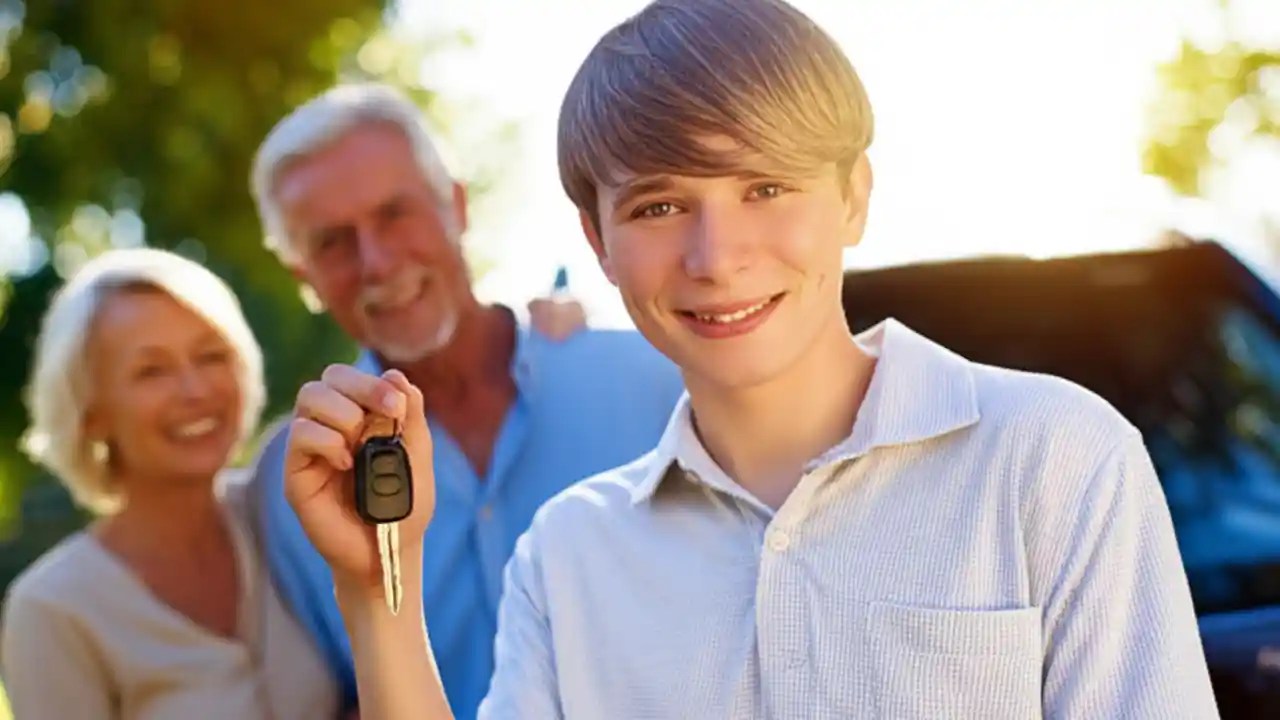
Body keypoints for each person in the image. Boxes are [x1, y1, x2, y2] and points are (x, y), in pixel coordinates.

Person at [279, 0, 1223, 717]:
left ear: (854, 196)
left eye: (765, 185)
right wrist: (376, 596)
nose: (714, 256)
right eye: (657, 206)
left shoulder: (1053, 460)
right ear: (597, 240)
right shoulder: (566, 560)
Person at [246, 82, 684, 718]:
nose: (376, 261)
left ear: (455, 205)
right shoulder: (292, 486)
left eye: (395, 213)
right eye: (333, 242)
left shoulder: (655, 381)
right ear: (303, 276)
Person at [0, 248, 343, 719]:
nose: (195, 390)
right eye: (151, 371)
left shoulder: (288, 514)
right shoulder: (52, 610)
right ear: (91, 414)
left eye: (210, 356)